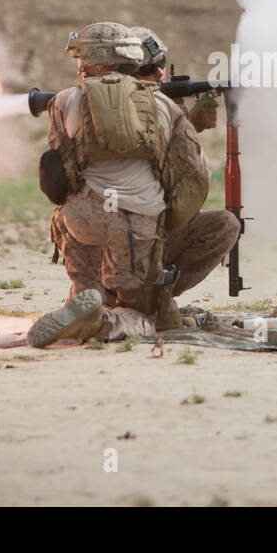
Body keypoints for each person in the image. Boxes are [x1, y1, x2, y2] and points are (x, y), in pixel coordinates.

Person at [27, 22, 210, 347]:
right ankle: (105, 320)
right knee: (146, 318)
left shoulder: (63, 101)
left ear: (91, 64)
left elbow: (58, 172)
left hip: (81, 222)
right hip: (135, 224)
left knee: (71, 211)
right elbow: (194, 174)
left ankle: (84, 302)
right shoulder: (166, 106)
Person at [126, 27, 241, 328]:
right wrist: (185, 122)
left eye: (162, 64)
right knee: (224, 226)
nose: (160, 73)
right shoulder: (125, 112)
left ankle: (149, 295)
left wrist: (187, 120)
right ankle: (148, 299)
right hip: (133, 231)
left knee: (225, 225)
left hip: (135, 232)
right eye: (150, 69)